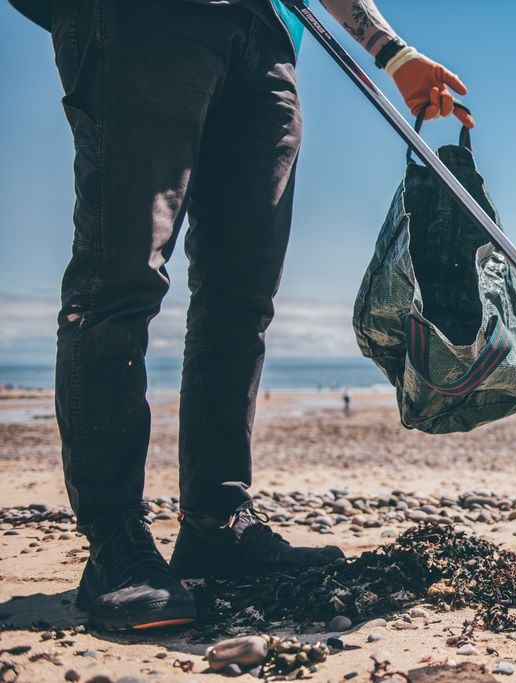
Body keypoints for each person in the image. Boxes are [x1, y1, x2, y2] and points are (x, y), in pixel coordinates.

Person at [10, 0, 473, 631]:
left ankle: (217, 526)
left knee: (242, 298)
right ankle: (115, 543)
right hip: (139, 18)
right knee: (119, 277)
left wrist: (392, 52)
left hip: (268, 34)